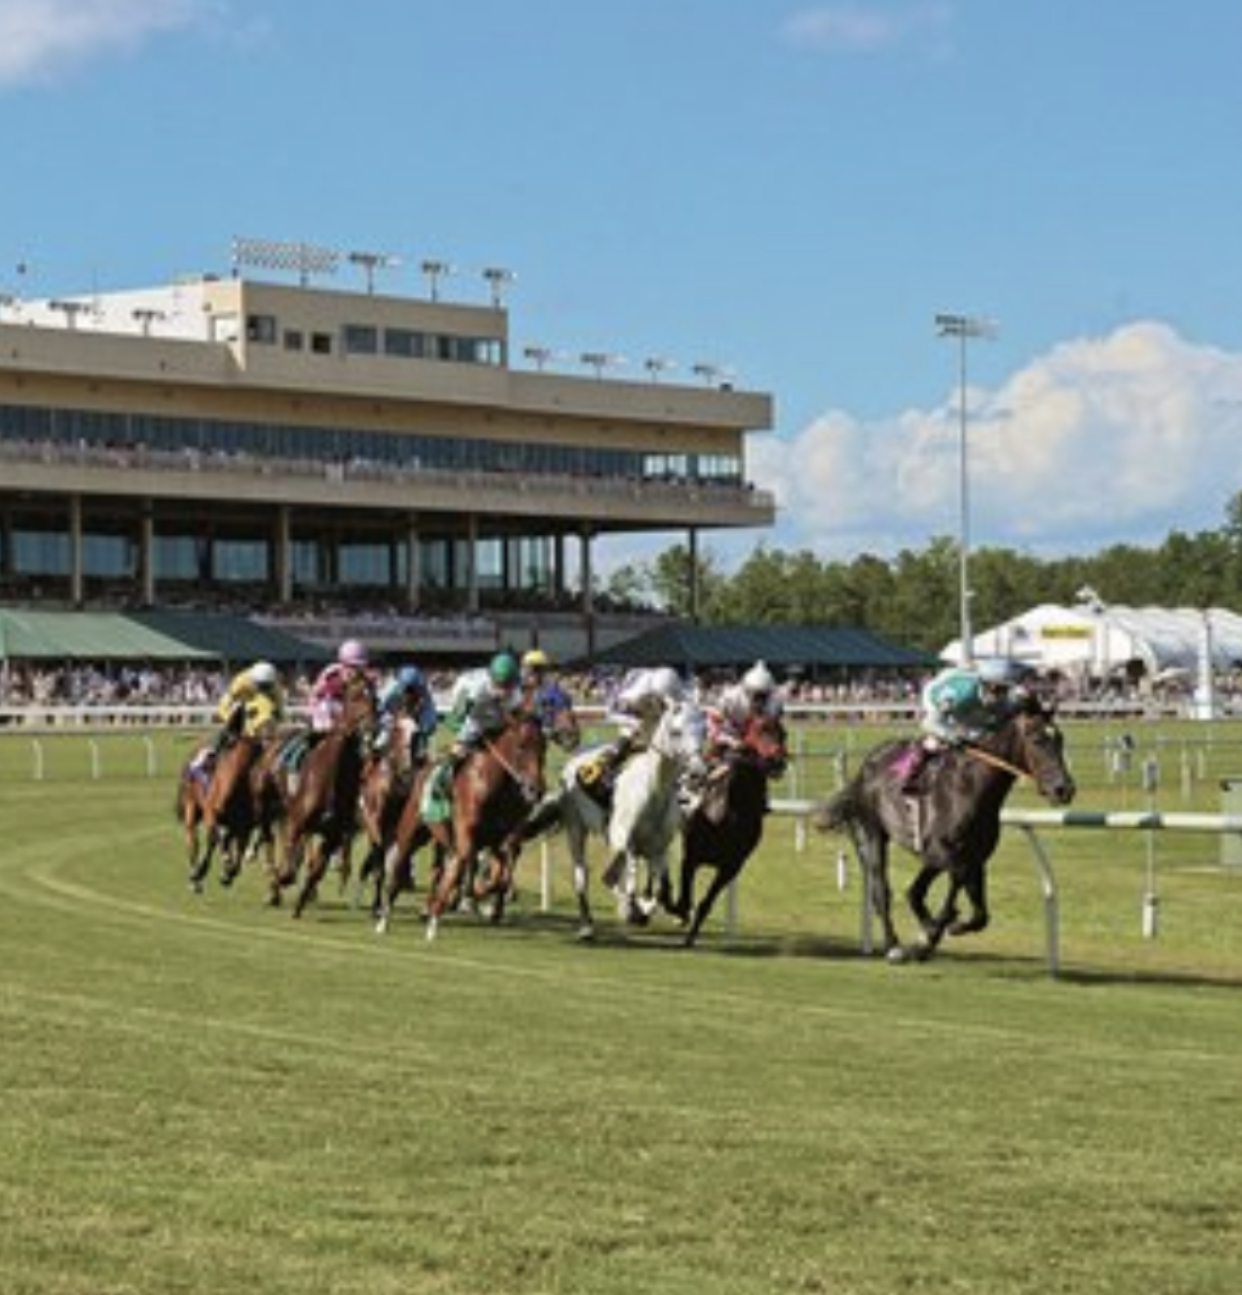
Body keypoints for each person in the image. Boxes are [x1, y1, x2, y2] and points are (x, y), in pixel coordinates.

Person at [422, 651, 524, 816]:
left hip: (493, 716)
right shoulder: (472, 686)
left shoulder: (515, 689)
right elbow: (461, 719)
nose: (504, 690)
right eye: (500, 685)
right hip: (463, 717)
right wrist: (461, 741)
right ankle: (438, 787)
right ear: (491, 679)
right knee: (457, 752)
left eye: (508, 685)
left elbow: (515, 715)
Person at [899, 658, 1023, 790]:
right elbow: (929, 723)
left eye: (1006, 690)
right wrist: (951, 736)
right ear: (991, 686)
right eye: (1002, 690)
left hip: (968, 702)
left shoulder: (993, 694)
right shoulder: (962, 695)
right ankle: (908, 771)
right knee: (935, 742)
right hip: (935, 699)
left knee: (987, 731)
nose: (1005, 695)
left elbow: (1005, 716)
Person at [577, 665, 686, 790]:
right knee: (625, 743)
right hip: (628, 720)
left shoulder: (671, 689)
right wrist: (637, 726)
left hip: (651, 722)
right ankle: (601, 772)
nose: (666, 697)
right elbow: (617, 712)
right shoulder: (637, 693)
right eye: (663, 695)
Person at [207, 660, 284, 759]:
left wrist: (280, 717)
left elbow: (280, 703)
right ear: (254, 680)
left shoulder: (274, 685)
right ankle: (215, 748)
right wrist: (227, 716)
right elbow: (227, 701)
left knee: (270, 721)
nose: (263, 689)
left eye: (266, 686)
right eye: (261, 685)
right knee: (234, 716)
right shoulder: (242, 681)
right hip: (243, 701)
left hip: (263, 706)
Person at [373, 663, 439, 767]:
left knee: (424, 750)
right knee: (379, 741)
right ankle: (376, 753)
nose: (406, 691)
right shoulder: (395, 689)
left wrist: (424, 728)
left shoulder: (424, 694)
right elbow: (384, 708)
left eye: (410, 688)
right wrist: (387, 721)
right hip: (395, 719)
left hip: (419, 723)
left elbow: (429, 716)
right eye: (405, 687)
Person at [309, 638, 374, 733]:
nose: (355, 672)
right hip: (324, 712)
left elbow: (370, 702)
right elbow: (319, 700)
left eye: (358, 667)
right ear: (343, 664)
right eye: (351, 666)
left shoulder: (364, 679)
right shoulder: (332, 678)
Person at [521, 648, 579, 749]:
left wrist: (553, 731)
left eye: (536, 669)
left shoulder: (552, 692)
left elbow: (564, 720)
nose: (529, 673)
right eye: (528, 669)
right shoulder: (519, 690)